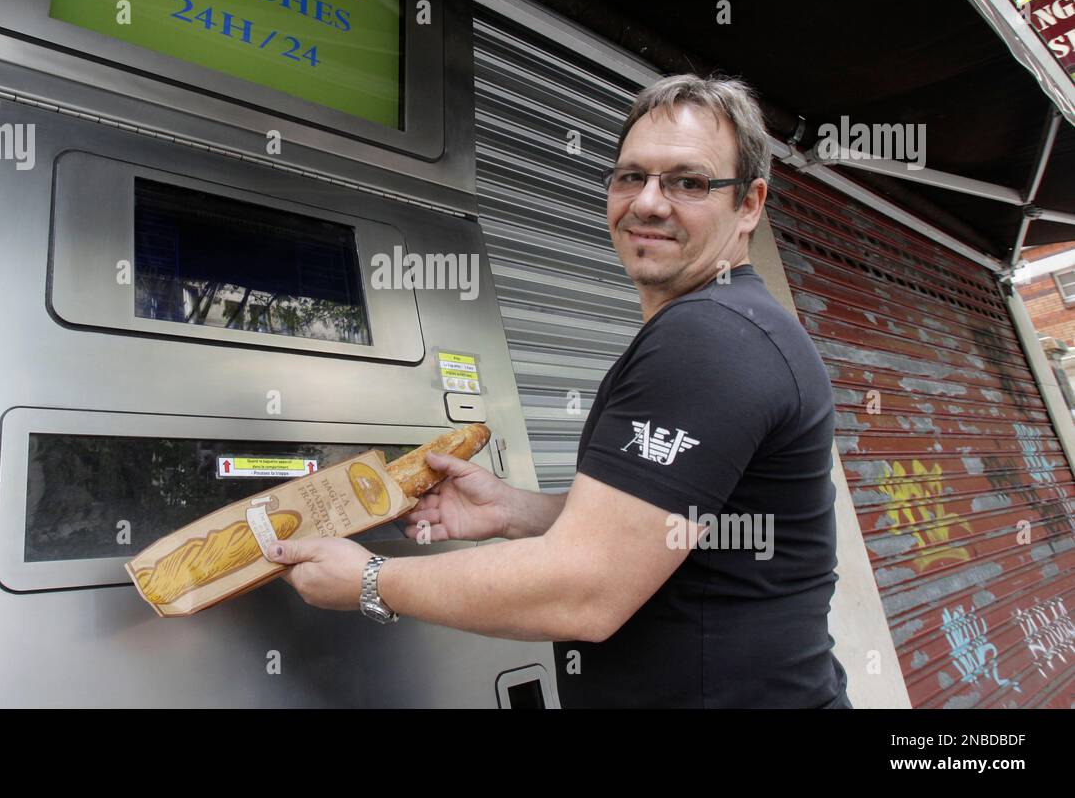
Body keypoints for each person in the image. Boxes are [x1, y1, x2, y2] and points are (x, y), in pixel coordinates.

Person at [270, 73, 851, 708]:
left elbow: (585, 590)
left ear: (749, 204)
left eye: (687, 182)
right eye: (632, 176)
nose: (649, 203)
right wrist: (516, 512)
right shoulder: (741, 323)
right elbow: (678, 529)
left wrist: (370, 579)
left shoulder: (709, 339)